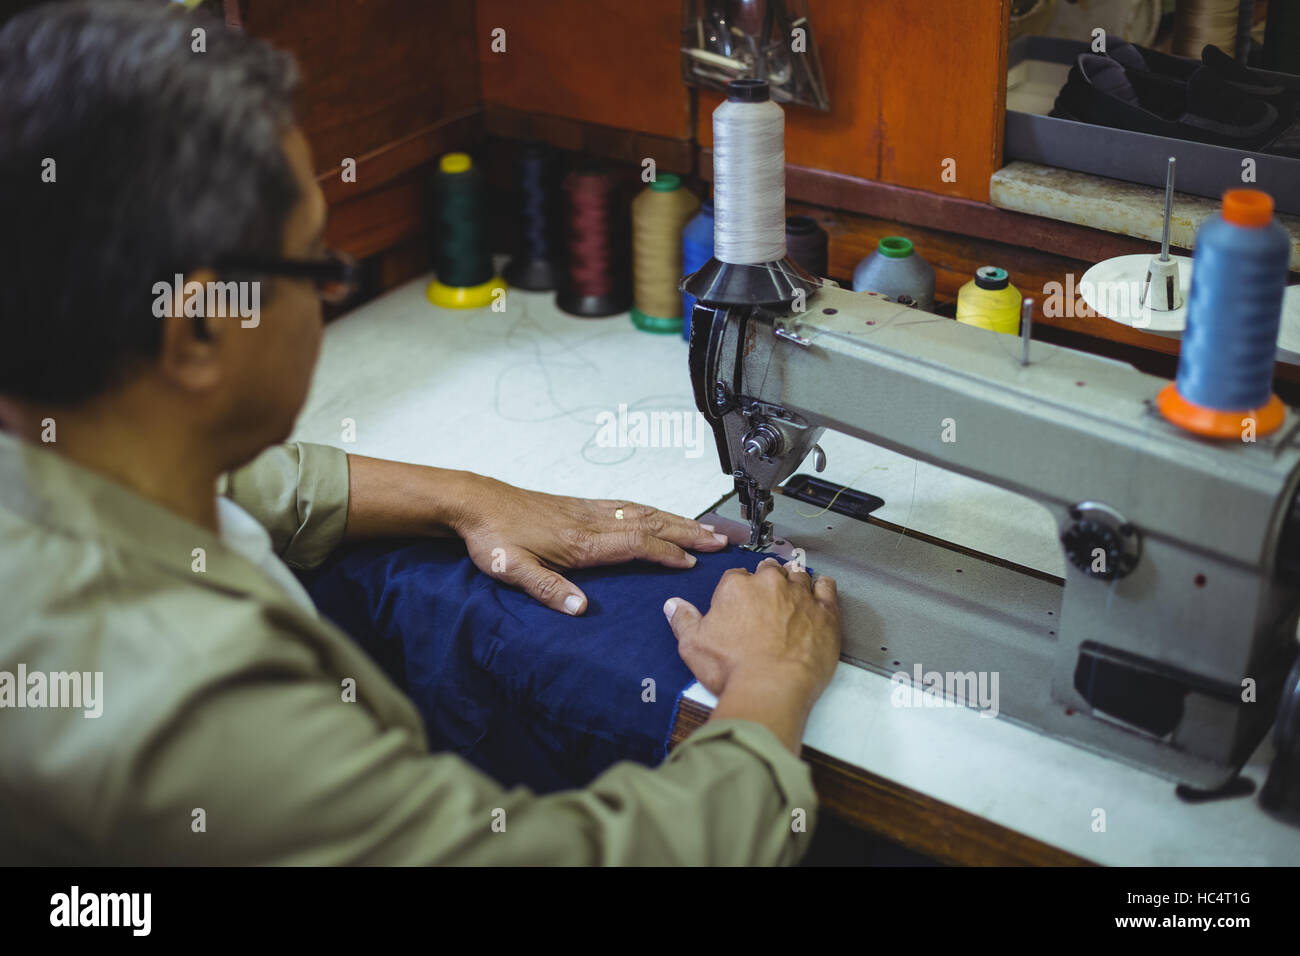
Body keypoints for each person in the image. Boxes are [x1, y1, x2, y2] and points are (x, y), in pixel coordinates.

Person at [0, 1, 842, 864]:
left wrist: (464, 498)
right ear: (200, 331)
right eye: (318, 263)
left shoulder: (64, 444)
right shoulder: (185, 701)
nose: (332, 294)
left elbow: (239, 483)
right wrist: (770, 685)